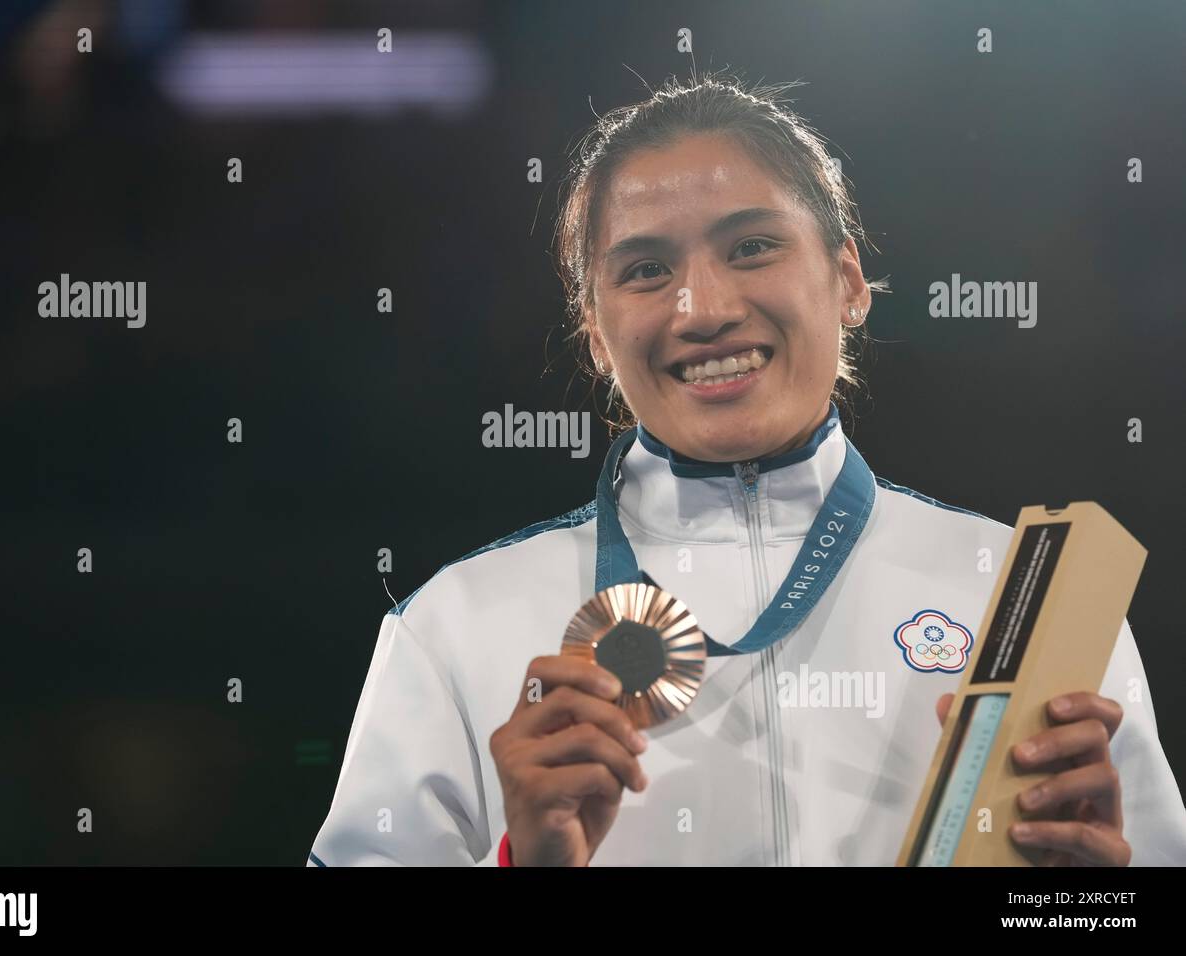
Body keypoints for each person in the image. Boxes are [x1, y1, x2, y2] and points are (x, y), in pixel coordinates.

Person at [307, 75, 1186, 866]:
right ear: (593, 331)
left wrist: (1084, 905)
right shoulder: (454, 630)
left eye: (753, 247)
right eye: (647, 269)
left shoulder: (1026, 599)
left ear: (847, 278)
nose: (706, 310)